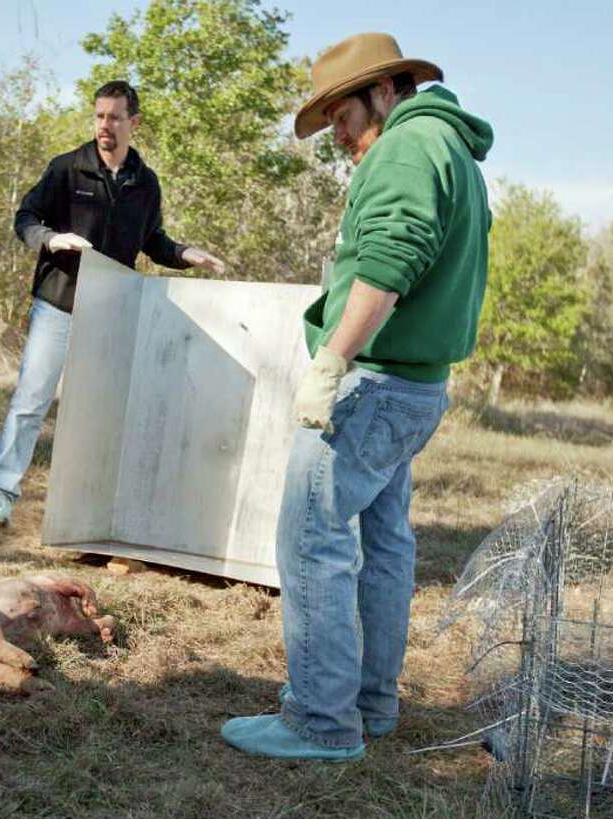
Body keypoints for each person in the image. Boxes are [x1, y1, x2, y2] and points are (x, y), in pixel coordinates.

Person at [221, 33, 494, 759]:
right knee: (383, 543)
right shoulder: (448, 148)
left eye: (340, 117)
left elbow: (391, 255)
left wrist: (332, 360)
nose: (337, 138)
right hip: (415, 386)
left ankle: (320, 720)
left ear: (383, 91)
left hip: (373, 382)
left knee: (311, 535)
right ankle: (370, 703)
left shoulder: (406, 148)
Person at [0, 80, 225, 526]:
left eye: (114, 117)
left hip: (110, 311)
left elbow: (153, 241)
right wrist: (51, 240)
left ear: (134, 122)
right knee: (31, 400)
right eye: (99, 116)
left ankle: (86, 508)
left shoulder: (145, 183)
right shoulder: (67, 168)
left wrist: (186, 254)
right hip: (58, 304)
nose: (104, 125)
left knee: (99, 409)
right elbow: (25, 218)